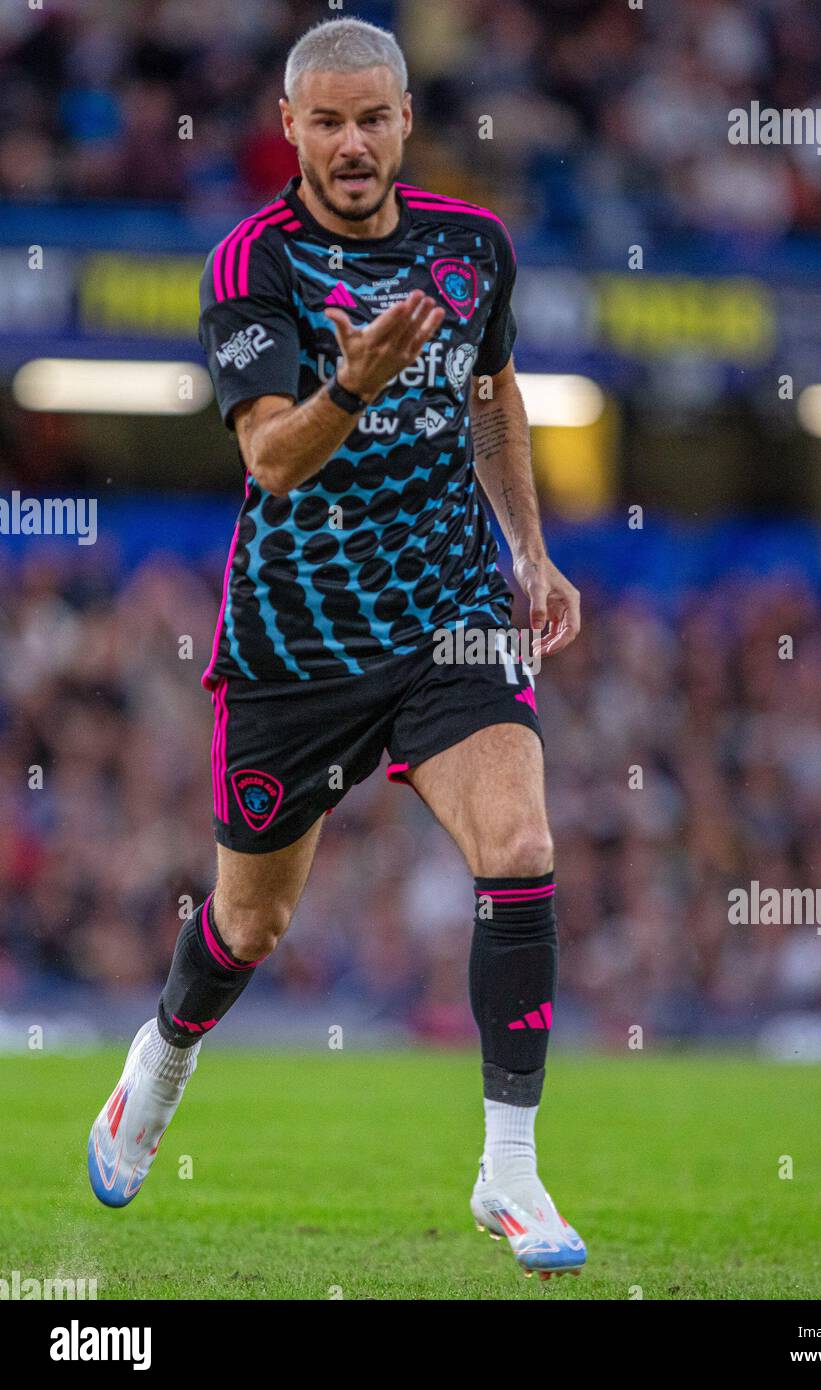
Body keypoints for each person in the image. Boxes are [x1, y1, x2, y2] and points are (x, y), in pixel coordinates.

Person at [87, 17, 585, 1278]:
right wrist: (354, 384)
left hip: (450, 615)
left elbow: (495, 393)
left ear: (406, 119)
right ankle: (164, 1055)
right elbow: (269, 456)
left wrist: (530, 549)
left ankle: (510, 1172)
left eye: (374, 119)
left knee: (522, 843)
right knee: (253, 923)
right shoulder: (251, 265)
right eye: (329, 122)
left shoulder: (474, 248)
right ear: (291, 124)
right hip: (295, 642)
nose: (353, 143)